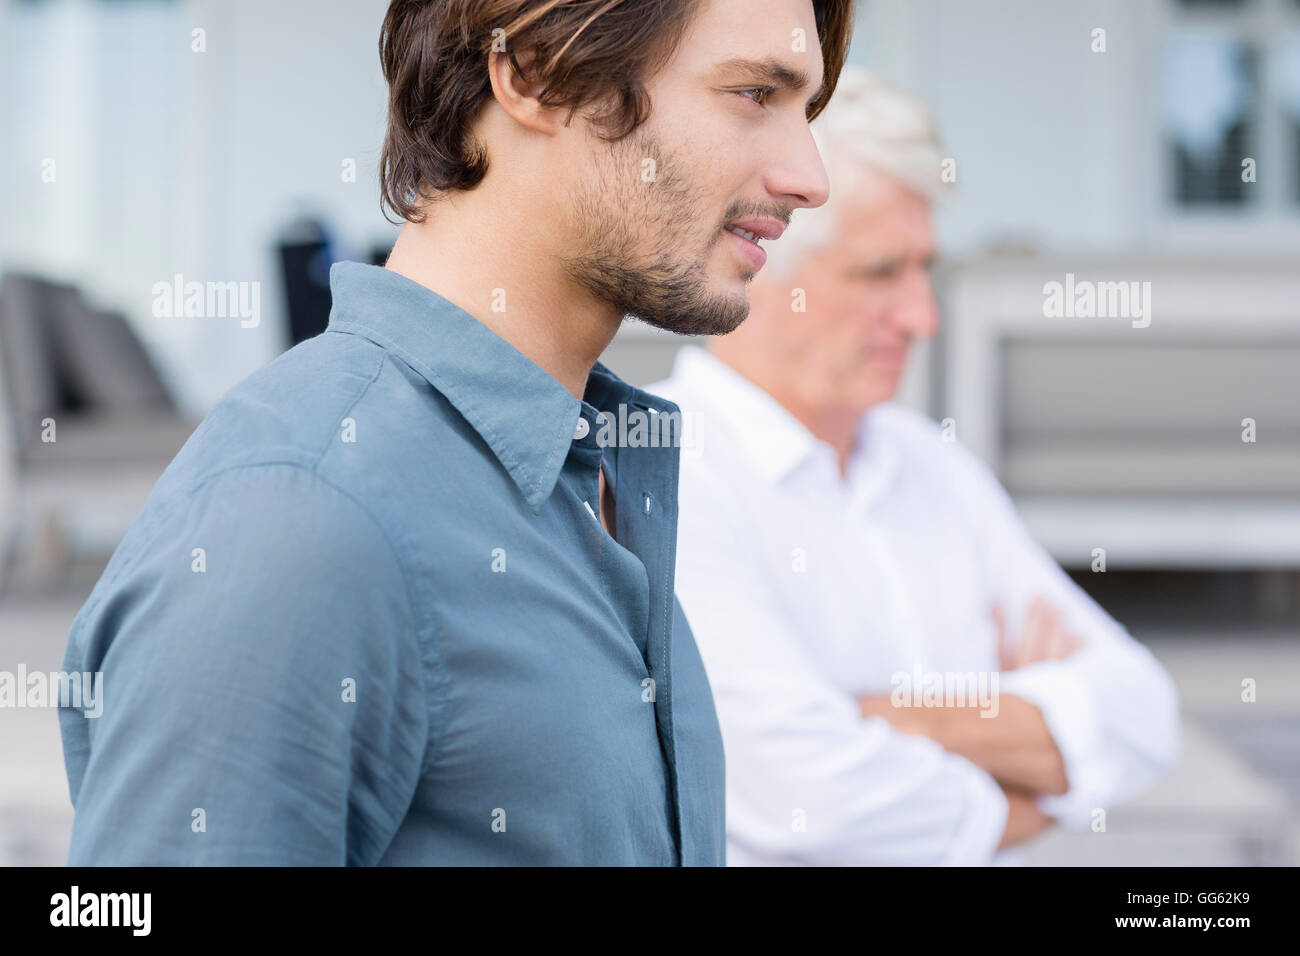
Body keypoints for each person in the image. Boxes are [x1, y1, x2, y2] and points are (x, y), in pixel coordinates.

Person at [57, 0, 855, 865]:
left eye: (803, 110)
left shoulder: (595, 479)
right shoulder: (300, 519)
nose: (809, 176)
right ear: (536, 72)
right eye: (752, 94)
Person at [650, 68, 1180, 866]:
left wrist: (897, 718)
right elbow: (810, 801)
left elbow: (1144, 712)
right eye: (879, 272)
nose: (922, 316)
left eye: (923, 268)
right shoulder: (668, 472)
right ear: (761, 261)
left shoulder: (932, 466)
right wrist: (1022, 751)